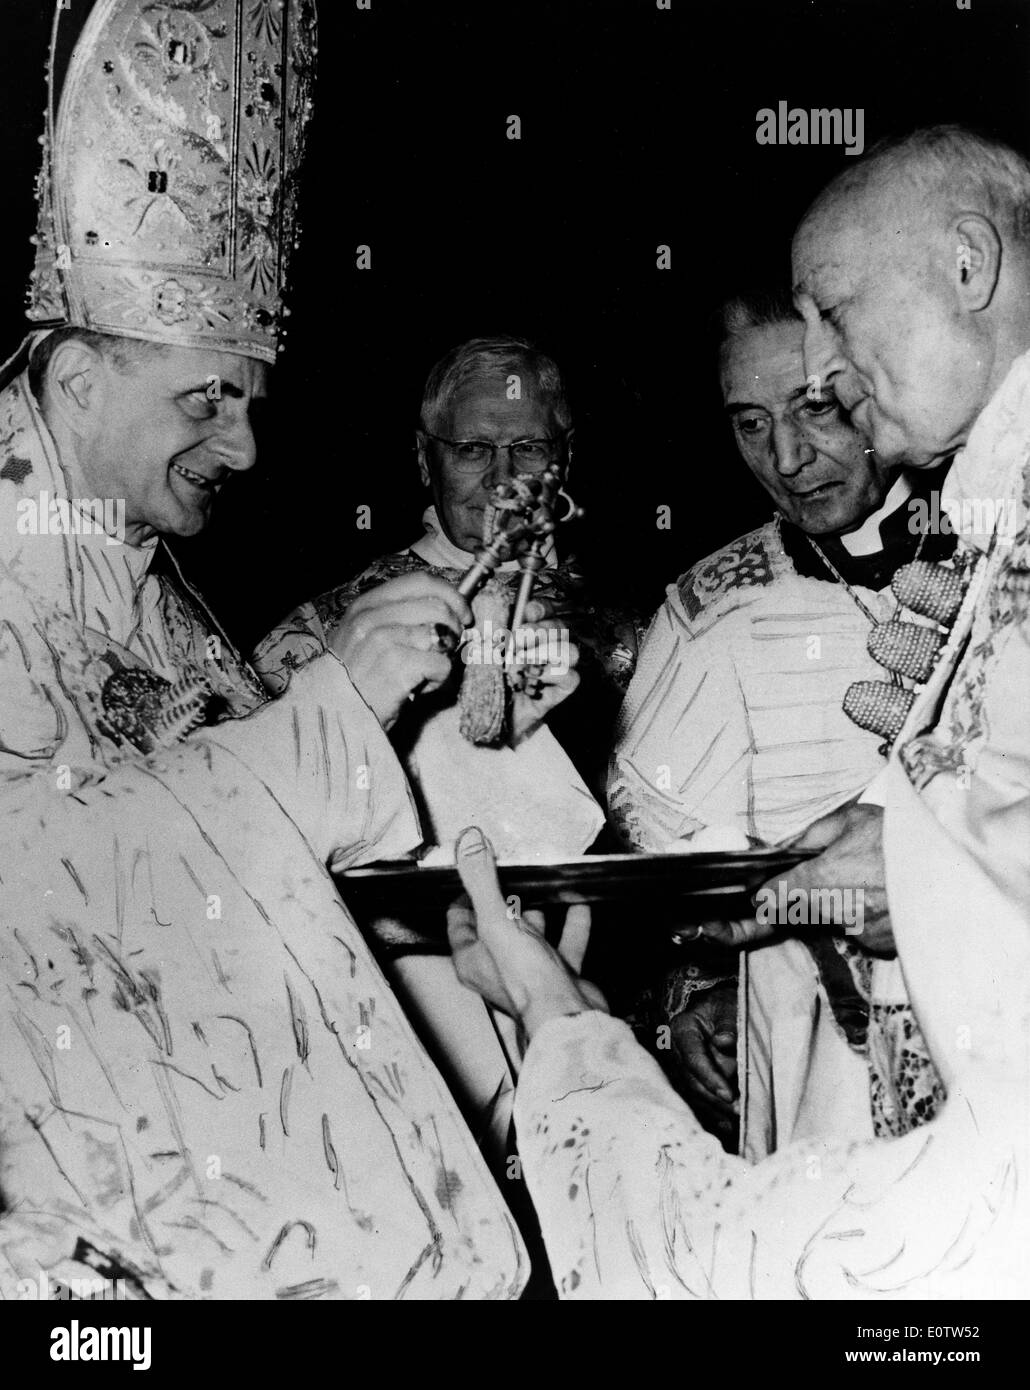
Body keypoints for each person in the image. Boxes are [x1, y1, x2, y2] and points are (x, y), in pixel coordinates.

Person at [440, 126, 1030, 1299]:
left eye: (835, 320)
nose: (821, 403)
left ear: (969, 265)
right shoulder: (713, 613)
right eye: (750, 419)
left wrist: (906, 874)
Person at [0, 0, 528, 1301]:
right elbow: (43, 879)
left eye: (246, 402)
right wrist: (328, 711)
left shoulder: (139, 570)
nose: (241, 449)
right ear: (75, 384)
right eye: (204, 399)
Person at [252, 338, 634, 1171]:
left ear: (566, 460)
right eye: (470, 449)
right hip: (402, 1026)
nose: (502, 478)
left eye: (528, 447)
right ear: (422, 461)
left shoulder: (627, 642)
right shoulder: (327, 636)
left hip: (592, 1006)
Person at [609, 292, 952, 1157]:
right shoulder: (707, 612)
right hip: (812, 1063)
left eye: (815, 408)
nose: (788, 458)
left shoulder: (1000, 549)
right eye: (750, 423)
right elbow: (660, 857)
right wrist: (691, 986)